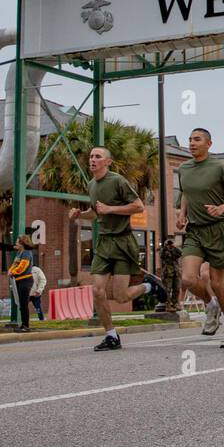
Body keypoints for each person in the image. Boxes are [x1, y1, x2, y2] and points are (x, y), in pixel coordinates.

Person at [69, 146, 165, 351]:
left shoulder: (118, 181)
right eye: (92, 156)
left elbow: (138, 206)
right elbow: (96, 214)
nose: (93, 160)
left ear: (108, 162)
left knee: (120, 296)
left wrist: (111, 208)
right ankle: (111, 335)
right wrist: (80, 215)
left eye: (98, 157)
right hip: (104, 243)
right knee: (97, 290)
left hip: (122, 242)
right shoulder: (91, 184)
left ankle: (150, 287)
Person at [175, 128, 224, 348]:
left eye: (197, 139)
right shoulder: (184, 168)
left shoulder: (219, 168)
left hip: (217, 229)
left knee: (217, 281)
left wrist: (222, 208)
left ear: (209, 144)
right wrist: (182, 213)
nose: (192, 143)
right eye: (190, 140)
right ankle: (210, 303)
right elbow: (186, 192)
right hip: (195, 230)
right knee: (187, 278)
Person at [7, 236, 37, 332]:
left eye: (17, 242)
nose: (15, 244)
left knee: (24, 304)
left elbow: (22, 267)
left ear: (22, 244)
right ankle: (23, 324)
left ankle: (26, 326)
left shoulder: (27, 253)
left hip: (26, 280)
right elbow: (15, 265)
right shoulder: (19, 254)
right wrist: (10, 271)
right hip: (19, 281)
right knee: (21, 304)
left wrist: (13, 272)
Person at [158, 237, 183, 312]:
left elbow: (181, 253)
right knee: (167, 290)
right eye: (169, 243)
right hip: (167, 273)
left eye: (171, 243)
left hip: (176, 272)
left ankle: (175, 303)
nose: (170, 245)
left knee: (177, 289)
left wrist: (174, 246)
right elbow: (161, 256)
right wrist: (166, 247)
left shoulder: (175, 250)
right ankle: (168, 304)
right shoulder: (164, 251)